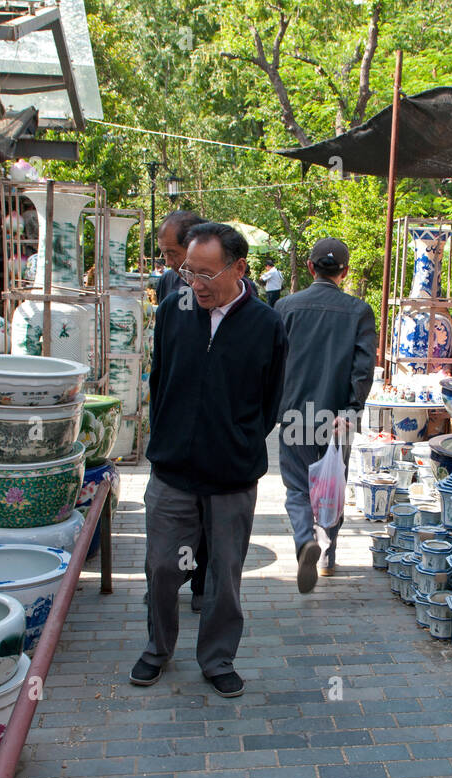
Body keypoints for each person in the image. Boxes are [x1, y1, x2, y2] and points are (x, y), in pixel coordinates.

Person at [132, 222, 288, 698]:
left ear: (238, 267)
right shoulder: (173, 311)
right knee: (161, 566)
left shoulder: (266, 324)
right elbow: (159, 381)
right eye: (186, 272)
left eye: (205, 273)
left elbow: (271, 401)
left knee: (224, 575)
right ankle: (158, 648)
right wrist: (169, 437)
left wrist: (237, 442)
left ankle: (218, 658)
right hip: (172, 471)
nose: (194, 284)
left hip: (231, 476)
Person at [275, 237, 377, 591]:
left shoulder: (285, 307)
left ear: (310, 267)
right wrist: (352, 409)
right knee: (331, 486)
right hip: (338, 419)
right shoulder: (359, 311)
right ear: (345, 271)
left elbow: (270, 364)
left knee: (297, 488)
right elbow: (363, 369)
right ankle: (328, 557)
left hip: (294, 417)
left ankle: (305, 540)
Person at [150, 209, 210, 610]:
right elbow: (161, 361)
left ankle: (202, 585)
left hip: (213, 427)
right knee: (171, 516)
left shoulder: (234, 289)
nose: (168, 260)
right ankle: (164, 584)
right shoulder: (169, 283)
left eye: (172, 252)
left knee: (208, 515)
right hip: (174, 427)